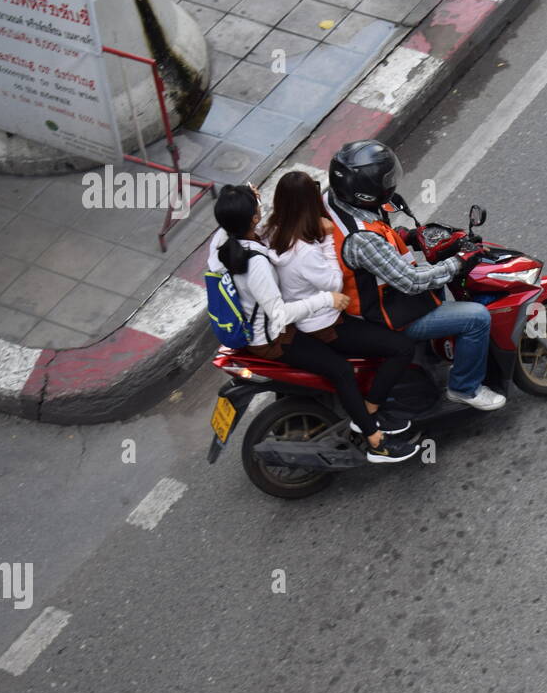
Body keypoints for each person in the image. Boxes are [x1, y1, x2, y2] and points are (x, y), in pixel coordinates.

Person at [206, 183, 418, 463]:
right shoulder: (257, 263)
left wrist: (250, 197)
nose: (262, 208)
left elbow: (237, 221)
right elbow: (279, 314)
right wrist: (327, 300)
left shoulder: (222, 242)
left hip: (267, 330)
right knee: (340, 370)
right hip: (274, 340)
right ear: (253, 219)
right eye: (258, 207)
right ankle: (375, 440)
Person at [322, 139, 506, 411]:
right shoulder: (360, 239)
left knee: (436, 281)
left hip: (365, 297)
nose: (391, 183)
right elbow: (412, 282)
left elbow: (380, 247)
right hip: (381, 315)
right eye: (385, 179)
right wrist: (459, 261)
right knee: (476, 318)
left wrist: (405, 236)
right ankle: (464, 388)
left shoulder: (334, 199)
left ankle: (436, 352)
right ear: (366, 192)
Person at [264, 170, 416, 436]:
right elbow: (334, 283)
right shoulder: (306, 251)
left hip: (302, 319)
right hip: (326, 324)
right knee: (402, 348)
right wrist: (328, 238)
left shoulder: (272, 232)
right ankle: (371, 409)